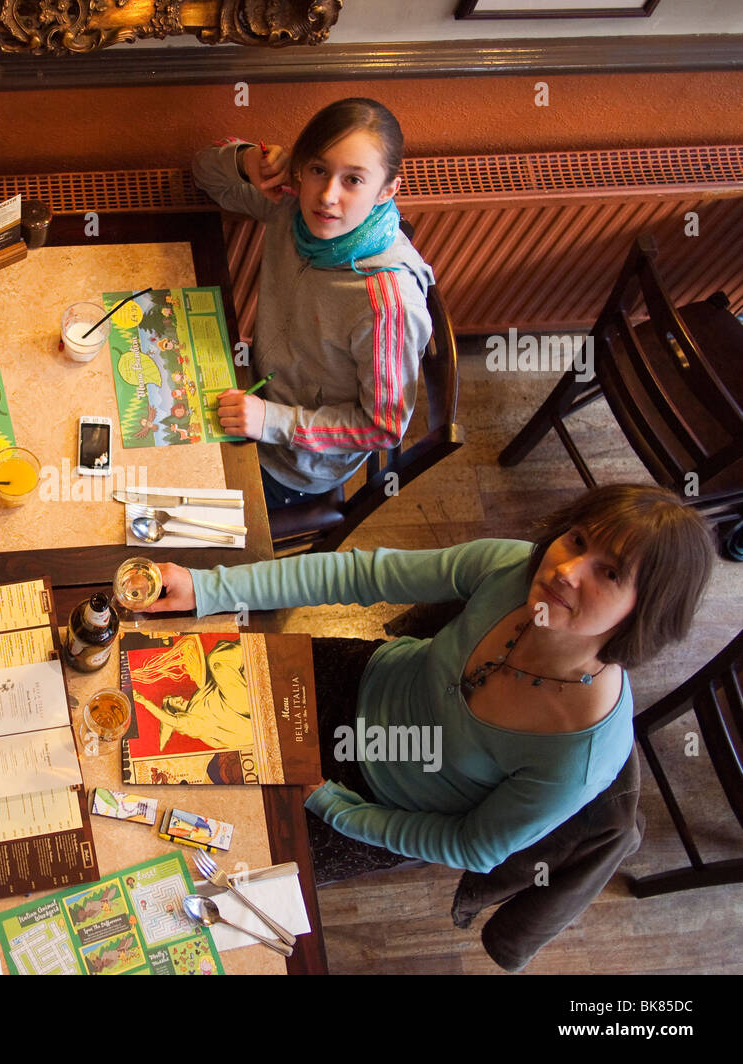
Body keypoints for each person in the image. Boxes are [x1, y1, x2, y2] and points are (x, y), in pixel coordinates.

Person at [145, 484, 714, 877]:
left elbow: (472, 846)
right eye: (577, 540)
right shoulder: (512, 567)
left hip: (375, 808)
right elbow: (360, 574)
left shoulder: (582, 754)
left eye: (609, 572)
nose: (566, 569)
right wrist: (209, 588)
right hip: (354, 679)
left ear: (647, 614)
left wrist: (333, 805)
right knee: (149, 706)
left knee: (178, 847)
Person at [191, 98, 434, 510]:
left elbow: (383, 429)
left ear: (387, 190)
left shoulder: (389, 305)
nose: (326, 196)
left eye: (353, 180)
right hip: (249, 382)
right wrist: (247, 161)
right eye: (319, 170)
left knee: (153, 516)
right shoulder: (294, 206)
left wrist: (272, 421)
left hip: (293, 464)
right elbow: (204, 174)